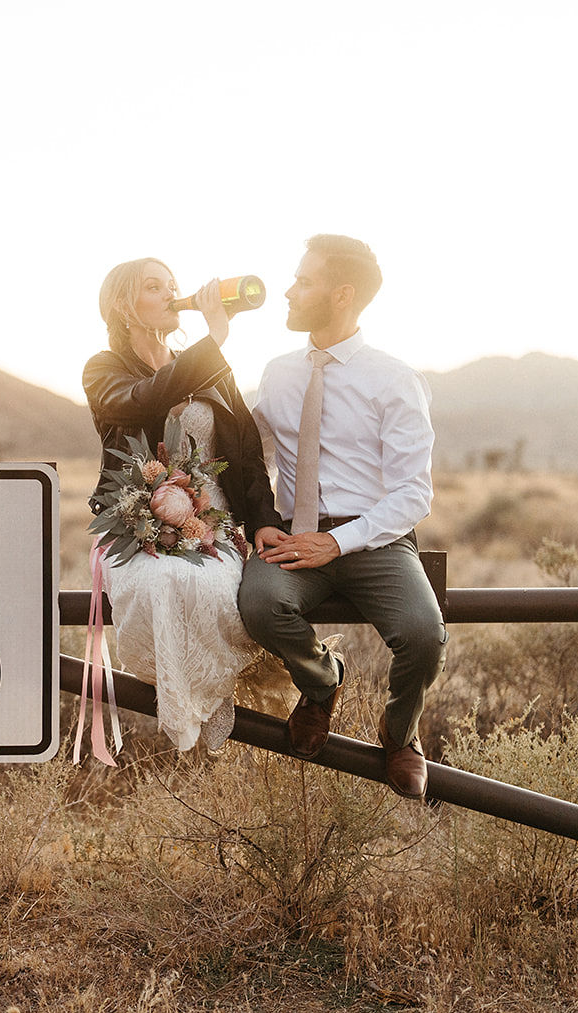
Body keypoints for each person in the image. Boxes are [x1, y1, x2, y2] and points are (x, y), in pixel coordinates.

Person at [237, 235, 446, 799]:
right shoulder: (278, 373)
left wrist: (337, 543)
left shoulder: (394, 379)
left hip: (375, 539)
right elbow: (252, 455)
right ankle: (322, 684)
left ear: (342, 295)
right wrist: (257, 517)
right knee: (259, 604)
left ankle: (400, 733)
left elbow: (413, 493)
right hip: (294, 533)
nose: (288, 291)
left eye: (303, 281)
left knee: (423, 635)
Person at [83, 258, 282, 753]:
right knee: (160, 581)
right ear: (122, 306)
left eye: (172, 285)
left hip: (214, 521)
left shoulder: (210, 367)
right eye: (155, 287)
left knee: (212, 585)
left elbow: (246, 453)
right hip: (137, 523)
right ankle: (181, 704)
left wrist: (263, 521)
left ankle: (211, 695)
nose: (171, 293)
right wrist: (213, 340)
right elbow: (143, 400)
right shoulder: (103, 370)